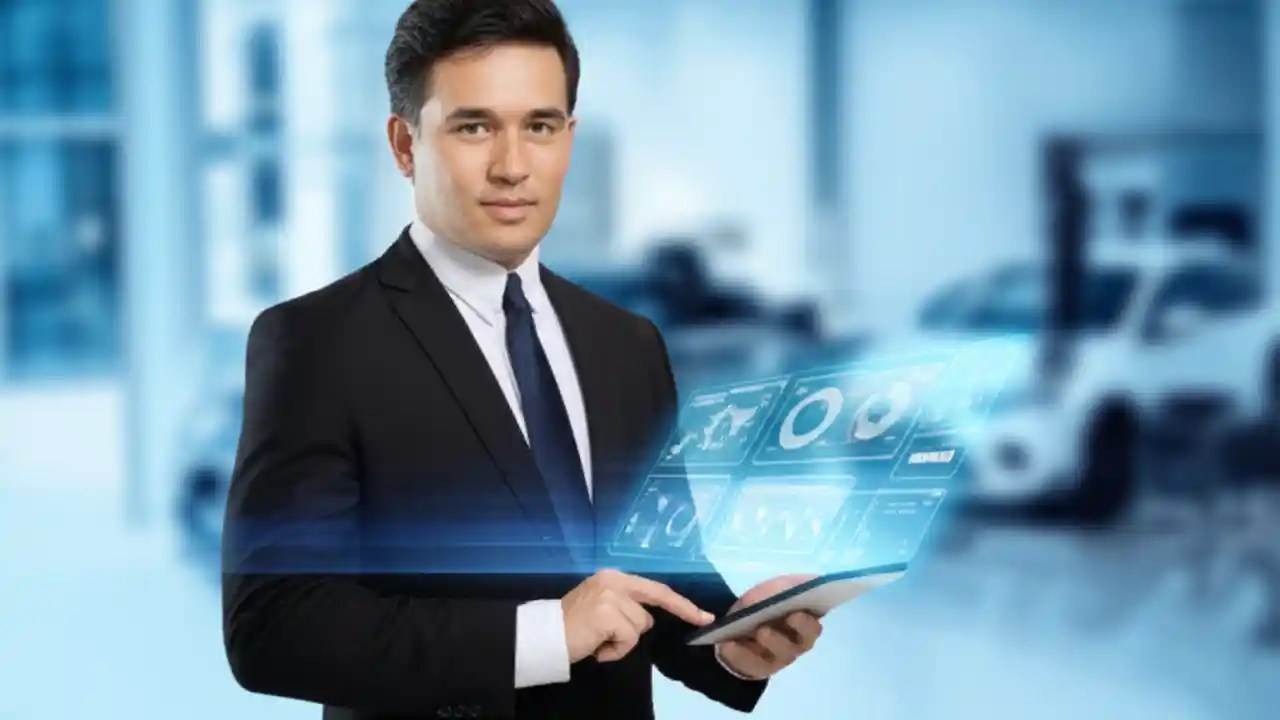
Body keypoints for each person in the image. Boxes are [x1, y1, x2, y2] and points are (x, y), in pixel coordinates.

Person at [221, 1, 823, 718]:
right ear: (405, 145)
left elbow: (659, 572)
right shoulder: (317, 342)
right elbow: (274, 627)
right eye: (474, 127)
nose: (512, 167)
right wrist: (546, 634)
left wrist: (730, 641)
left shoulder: (627, 343)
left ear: (568, 139)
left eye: (539, 127)